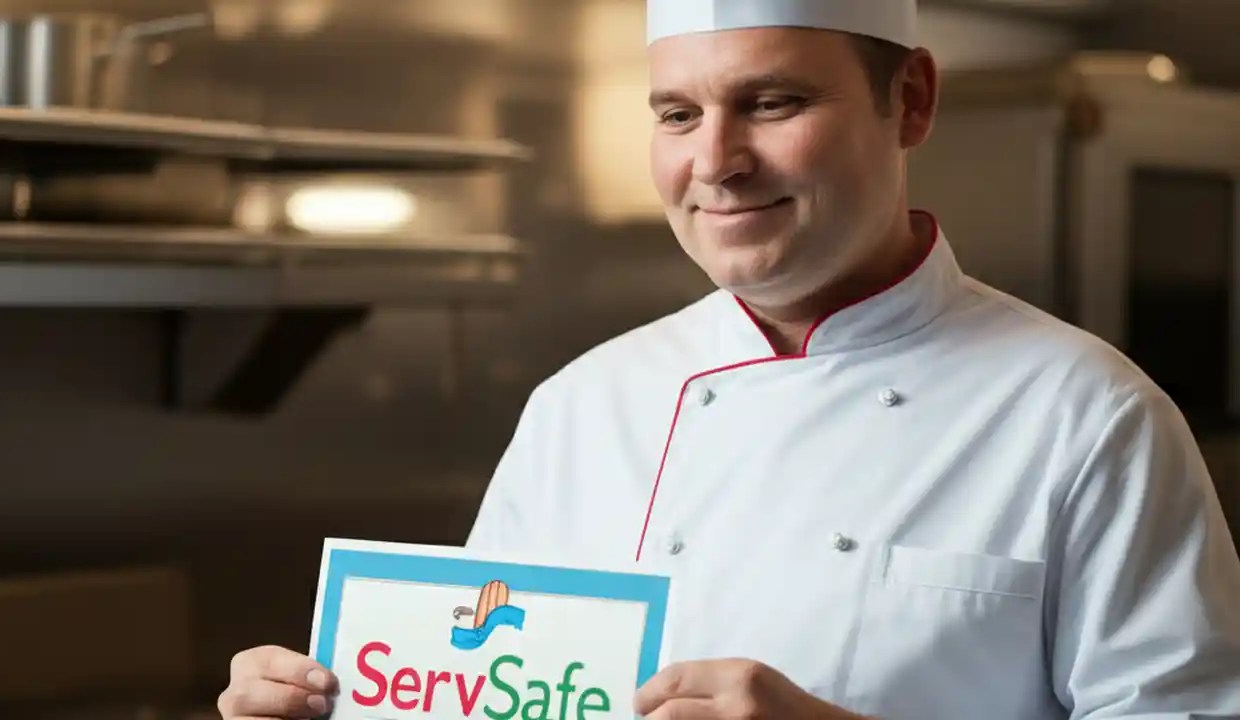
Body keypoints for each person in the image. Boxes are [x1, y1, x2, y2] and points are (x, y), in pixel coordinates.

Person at [218, 0, 1240, 718]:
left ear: (911, 101)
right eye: (676, 113)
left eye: (772, 102)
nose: (713, 161)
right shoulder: (582, 406)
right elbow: (482, 696)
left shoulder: (1084, 416)